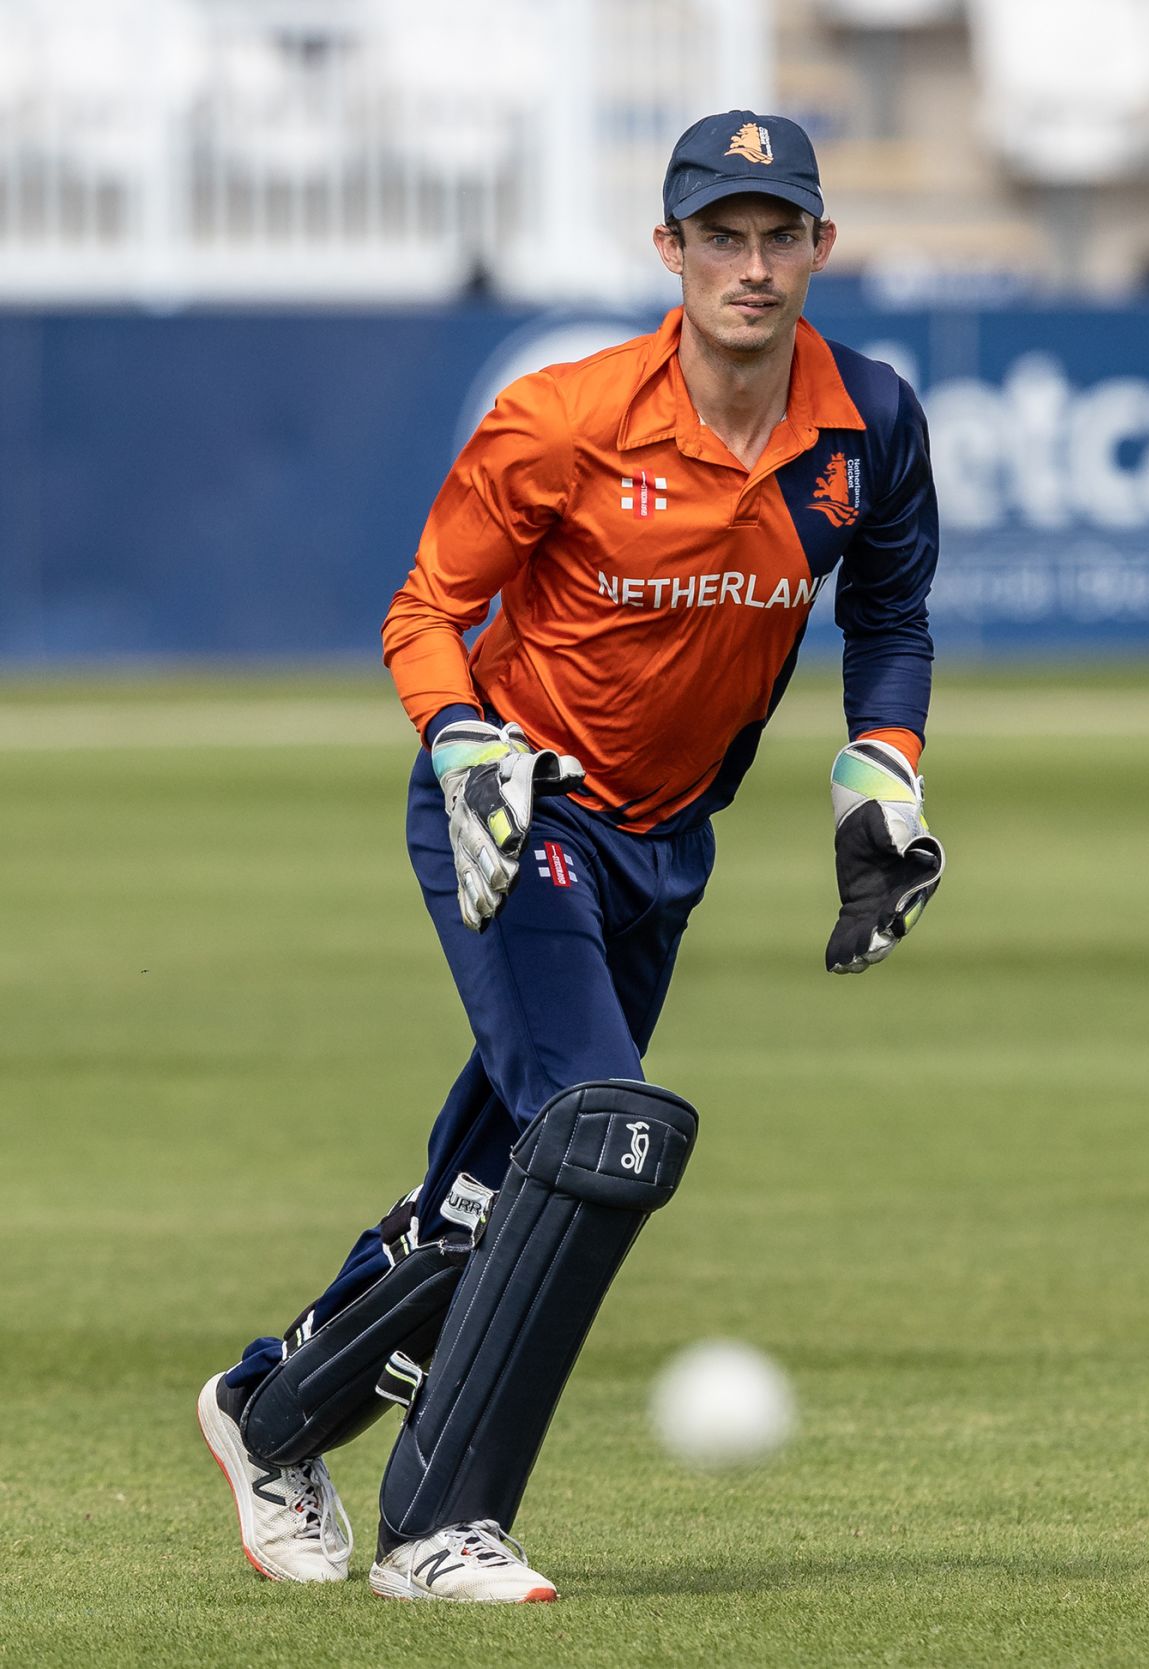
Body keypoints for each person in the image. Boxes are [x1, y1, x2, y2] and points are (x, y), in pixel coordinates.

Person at [197, 108, 945, 1604]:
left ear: (822, 245)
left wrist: (883, 769)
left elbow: (889, 612)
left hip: (666, 845)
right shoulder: (564, 418)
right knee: (608, 1135)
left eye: (777, 235)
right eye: (720, 236)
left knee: (497, 1195)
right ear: (669, 248)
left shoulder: (870, 422)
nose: (750, 265)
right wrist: (461, 744)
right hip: (518, 815)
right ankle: (439, 1526)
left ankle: (269, 1415)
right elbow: (425, 612)